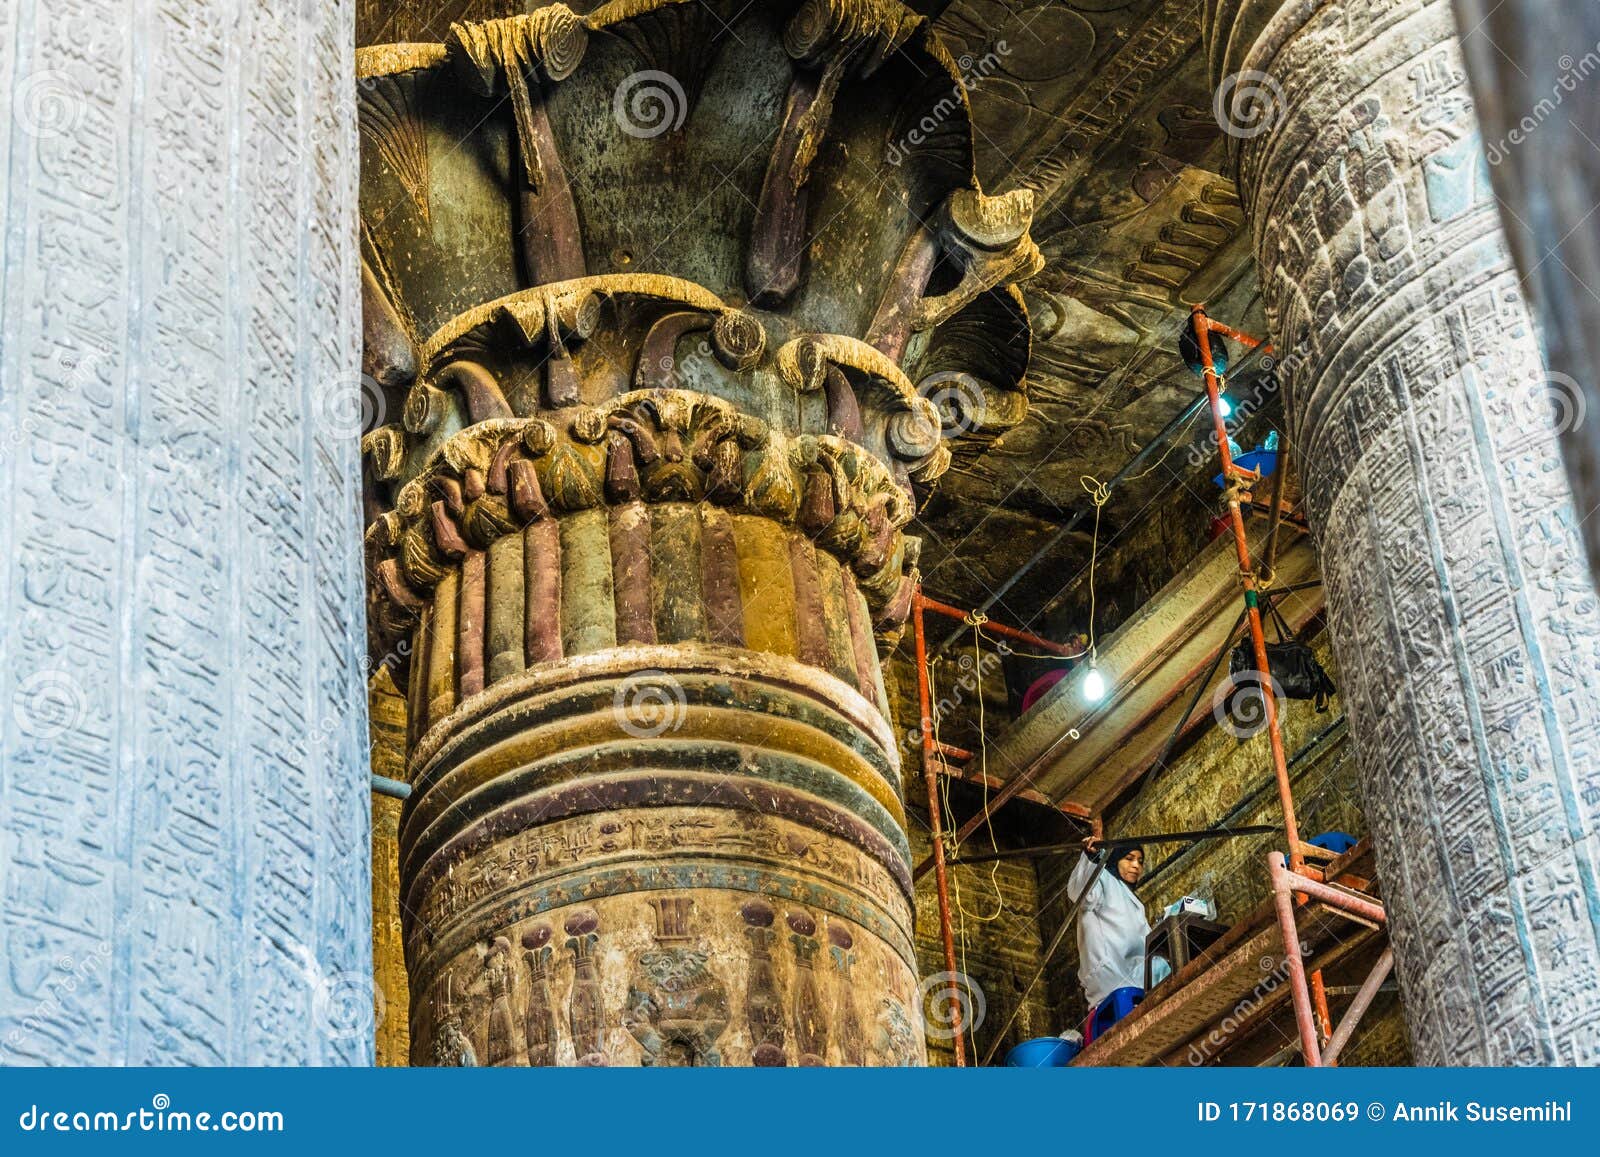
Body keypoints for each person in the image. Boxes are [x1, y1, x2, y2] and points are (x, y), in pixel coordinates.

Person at [1067, 838, 1150, 1011]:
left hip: (1135, 972)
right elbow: (1081, 894)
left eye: (1140, 861)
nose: (1136, 865)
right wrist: (1092, 857)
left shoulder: (1134, 900)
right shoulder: (1103, 879)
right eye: (1129, 858)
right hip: (1109, 973)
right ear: (1116, 860)